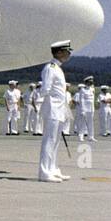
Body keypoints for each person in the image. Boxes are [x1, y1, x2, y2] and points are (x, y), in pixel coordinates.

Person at [37, 41, 72, 182]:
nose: (69, 54)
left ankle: (53, 169)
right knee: (49, 141)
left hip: (59, 109)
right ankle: (44, 172)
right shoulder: (50, 68)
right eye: (66, 51)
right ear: (58, 52)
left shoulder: (57, 68)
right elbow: (45, 89)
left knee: (56, 141)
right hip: (52, 108)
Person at [75, 77, 96, 142]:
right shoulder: (82, 90)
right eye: (90, 82)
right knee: (83, 123)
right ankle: (81, 136)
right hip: (85, 109)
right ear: (86, 82)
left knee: (91, 123)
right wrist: (82, 110)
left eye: (91, 82)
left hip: (91, 109)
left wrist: (93, 109)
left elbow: (92, 100)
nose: (91, 83)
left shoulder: (92, 89)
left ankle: (91, 136)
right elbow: (81, 100)